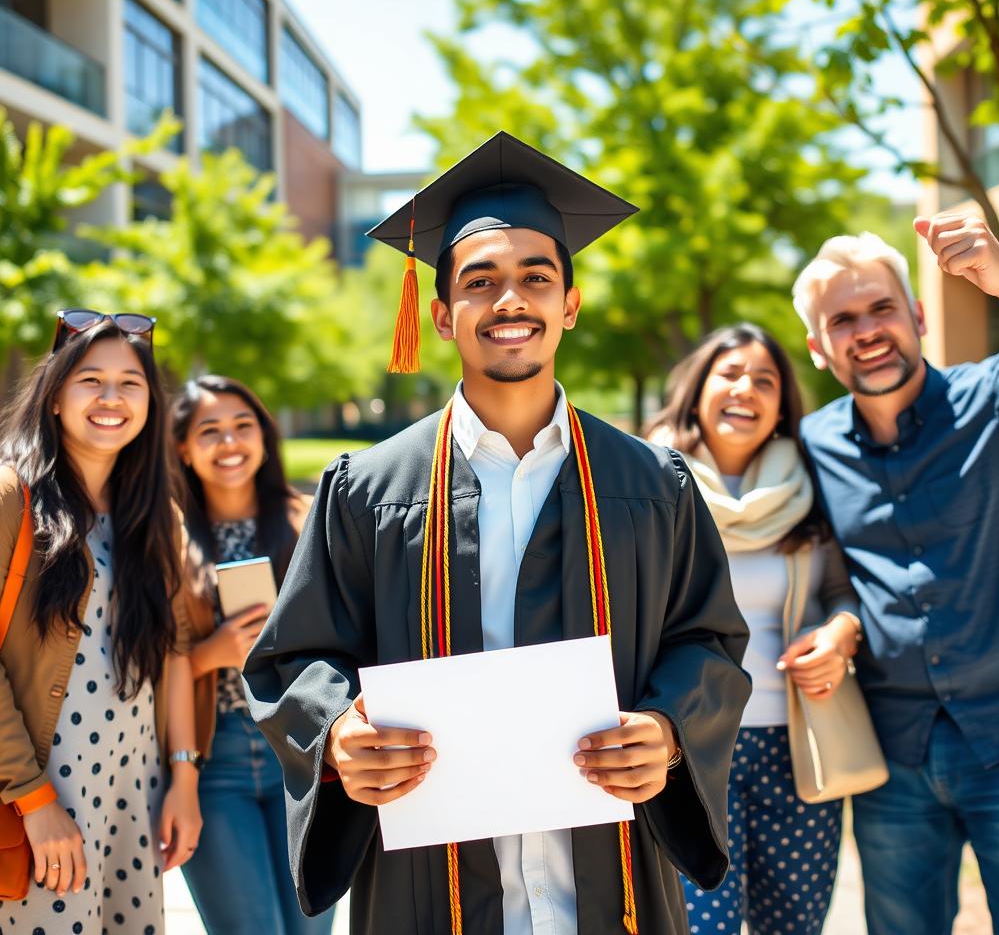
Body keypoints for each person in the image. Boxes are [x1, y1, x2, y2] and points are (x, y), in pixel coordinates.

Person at [244, 131, 751, 935]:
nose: (510, 300)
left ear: (570, 305)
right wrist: (338, 729)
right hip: (426, 882)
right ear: (442, 315)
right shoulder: (368, 491)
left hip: (608, 880)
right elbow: (294, 655)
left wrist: (668, 729)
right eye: (481, 282)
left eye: (535, 278)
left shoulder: (652, 486)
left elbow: (709, 641)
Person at [792, 216, 999, 935]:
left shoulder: (998, 398)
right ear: (819, 348)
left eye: (882, 307)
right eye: (843, 319)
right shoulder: (812, 444)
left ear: (918, 314)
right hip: (894, 754)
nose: (866, 329)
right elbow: (816, 568)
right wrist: (836, 629)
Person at [647, 323, 861, 935]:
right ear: (697, 389)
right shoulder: (649, 483)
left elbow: (839, 591)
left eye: (765, 380)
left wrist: (841, 633)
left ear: (781, 405)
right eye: (731, 373)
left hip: (795, 746)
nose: (746, 388)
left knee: (794, 924)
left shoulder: (809, 486)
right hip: (684, 747)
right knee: (701, 925)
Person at [0, 310, 202, 934]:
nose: (111, 398)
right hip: (42, 789)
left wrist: (183, 780)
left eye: (130, 383)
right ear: (56, 395)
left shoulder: (153, 514)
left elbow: (169, 651)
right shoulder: (13, 496)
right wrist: (33, 800)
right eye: (91, 380)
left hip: (130, 788)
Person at [168, 375, 333, 935]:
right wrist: (210, 652)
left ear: (265, 437)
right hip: (217, 760)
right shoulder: (164, 536)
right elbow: (148, 663)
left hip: (302, 755)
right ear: (183, 449)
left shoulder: (310, 517)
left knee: (309, 928)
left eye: (243, 426)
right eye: (209, 431)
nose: (230, 442)